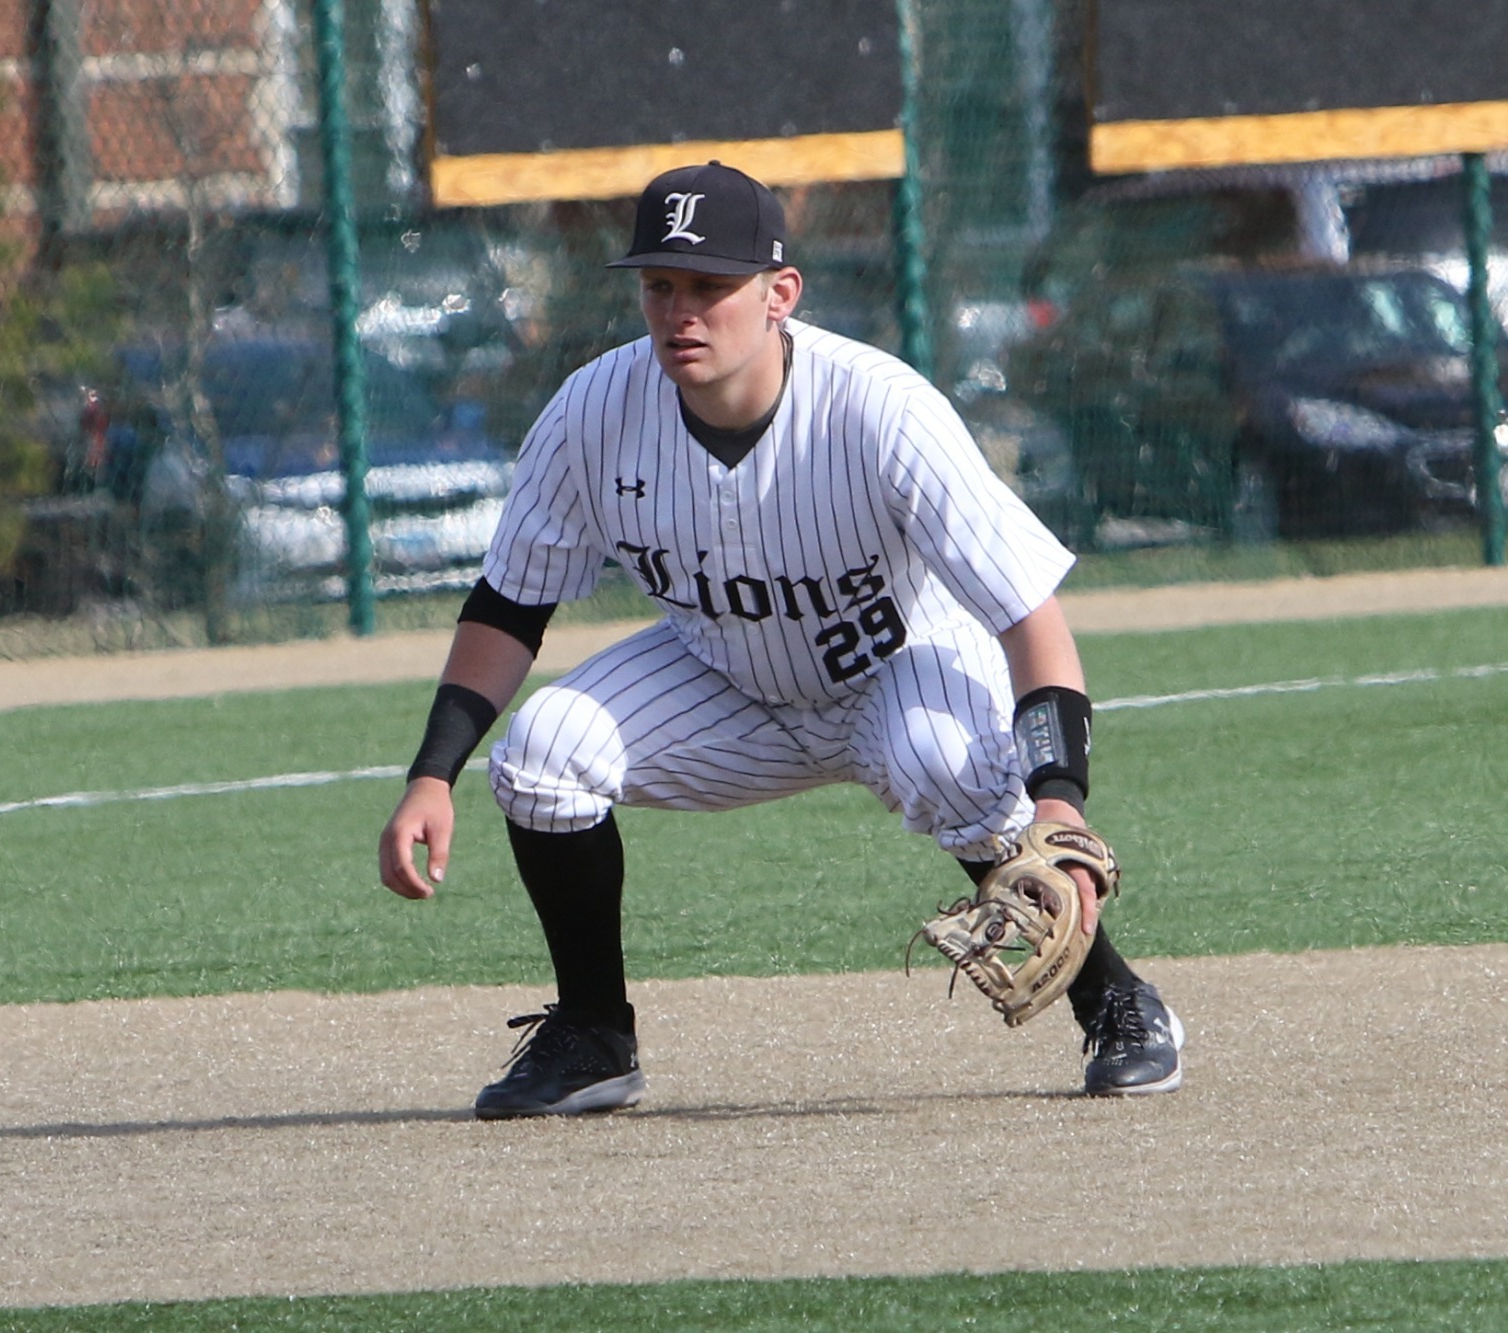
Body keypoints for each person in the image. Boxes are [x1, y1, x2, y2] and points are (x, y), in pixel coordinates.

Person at [379, 161, 1183, 1118]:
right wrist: (433, 772)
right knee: (544, 755)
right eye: (661, 285)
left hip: (898, 669)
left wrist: (1059, 802)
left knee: (955, 763)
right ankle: (594, 1033)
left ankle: (1119, 1001)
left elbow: (1026, 617)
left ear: (779, 295)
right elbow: (511, 605)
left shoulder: (879, 407)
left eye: (711, 287)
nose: (682, 311)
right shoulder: (593, 413)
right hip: (725, 677)